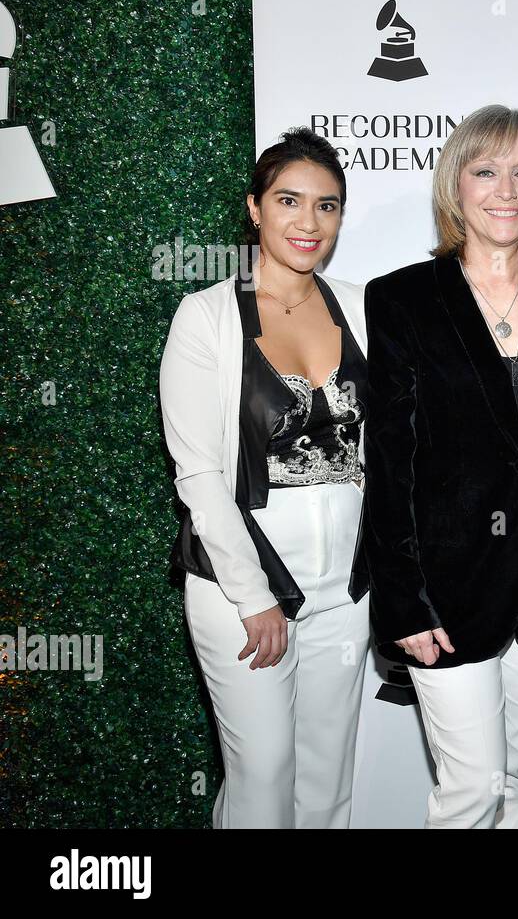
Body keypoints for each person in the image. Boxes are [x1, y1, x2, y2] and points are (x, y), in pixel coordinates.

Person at [362, 105, 518, 829]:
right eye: (486, 170)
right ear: (456, 187)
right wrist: (403, 600)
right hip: (445, 595)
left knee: (517, 780)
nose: (506, 189)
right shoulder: (403, 299)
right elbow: (389, 463)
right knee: (473, 789)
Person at [160, 127, 371, 828]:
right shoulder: (207, 317)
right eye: (289, 200)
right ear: (254, 207)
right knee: (263, 779)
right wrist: (254, 597)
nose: (308, 222)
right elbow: (197, 472)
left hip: (345, 587)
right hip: (240, 589)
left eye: (327, 205)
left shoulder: (362, 305)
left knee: (326, 779)